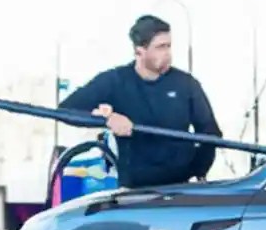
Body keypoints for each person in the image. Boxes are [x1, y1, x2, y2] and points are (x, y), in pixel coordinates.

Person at [59, 15, 222, 188]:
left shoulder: (186, 84)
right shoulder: (115, 81)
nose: (167, 53)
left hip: (179, 188)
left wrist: (198, 170)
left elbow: (210, 132)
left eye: (169, 46)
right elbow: (66, 110)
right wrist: (108, 119)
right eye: (160, 47)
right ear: (139, 51)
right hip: (133, 190)